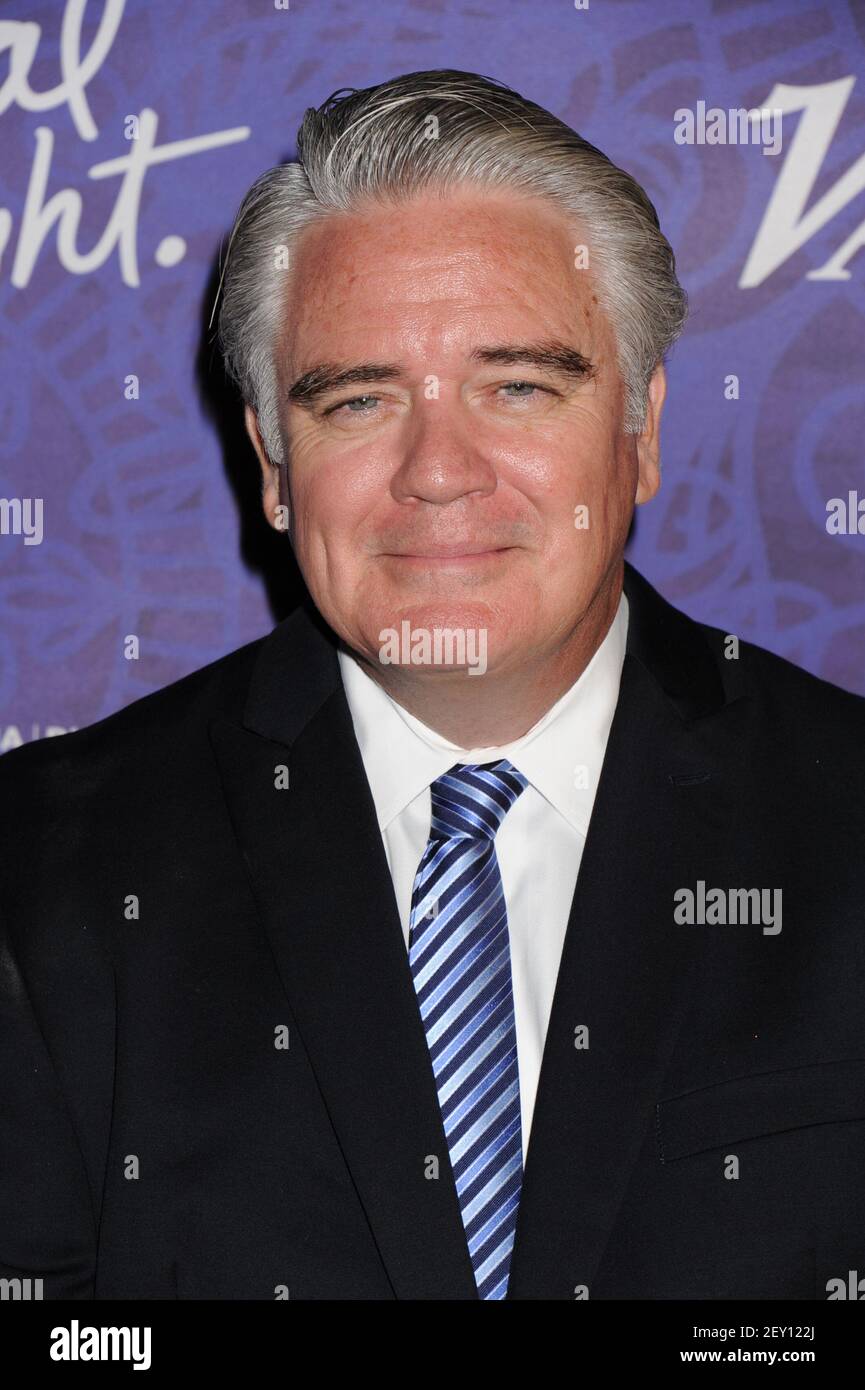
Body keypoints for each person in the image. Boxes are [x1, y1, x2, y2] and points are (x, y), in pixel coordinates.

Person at [1, 69, 863, 1302]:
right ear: (273, 466)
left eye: (517, 385)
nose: (438, 473)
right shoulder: (42, 875)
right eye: (359, 400)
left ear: (642, 431)